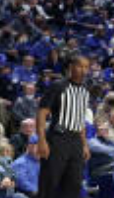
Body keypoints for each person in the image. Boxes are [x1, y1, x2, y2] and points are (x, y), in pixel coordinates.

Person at [35, 54, 90, 198]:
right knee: (49, 182)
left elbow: (80, 119)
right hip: (58, 138)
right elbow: (42, 113)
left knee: (74, 184)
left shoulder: (85, 90)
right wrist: (41, 140)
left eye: (86, 67)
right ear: (71, 67)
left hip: (76, 140)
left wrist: (84, 145)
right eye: (80, 66)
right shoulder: (58, 86)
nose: (83, 70)